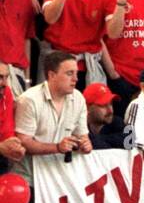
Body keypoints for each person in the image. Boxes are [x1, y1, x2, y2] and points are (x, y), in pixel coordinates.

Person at [14, 48, 90, 181]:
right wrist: (56, 147)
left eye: (76, 73)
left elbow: (82, 135)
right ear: (51, 75)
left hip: (59, 178)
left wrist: (85, 144)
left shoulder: (79, 98)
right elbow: (23, 142)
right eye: (69, 73)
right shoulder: (29, 99)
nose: (76, 79)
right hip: (30, 177)